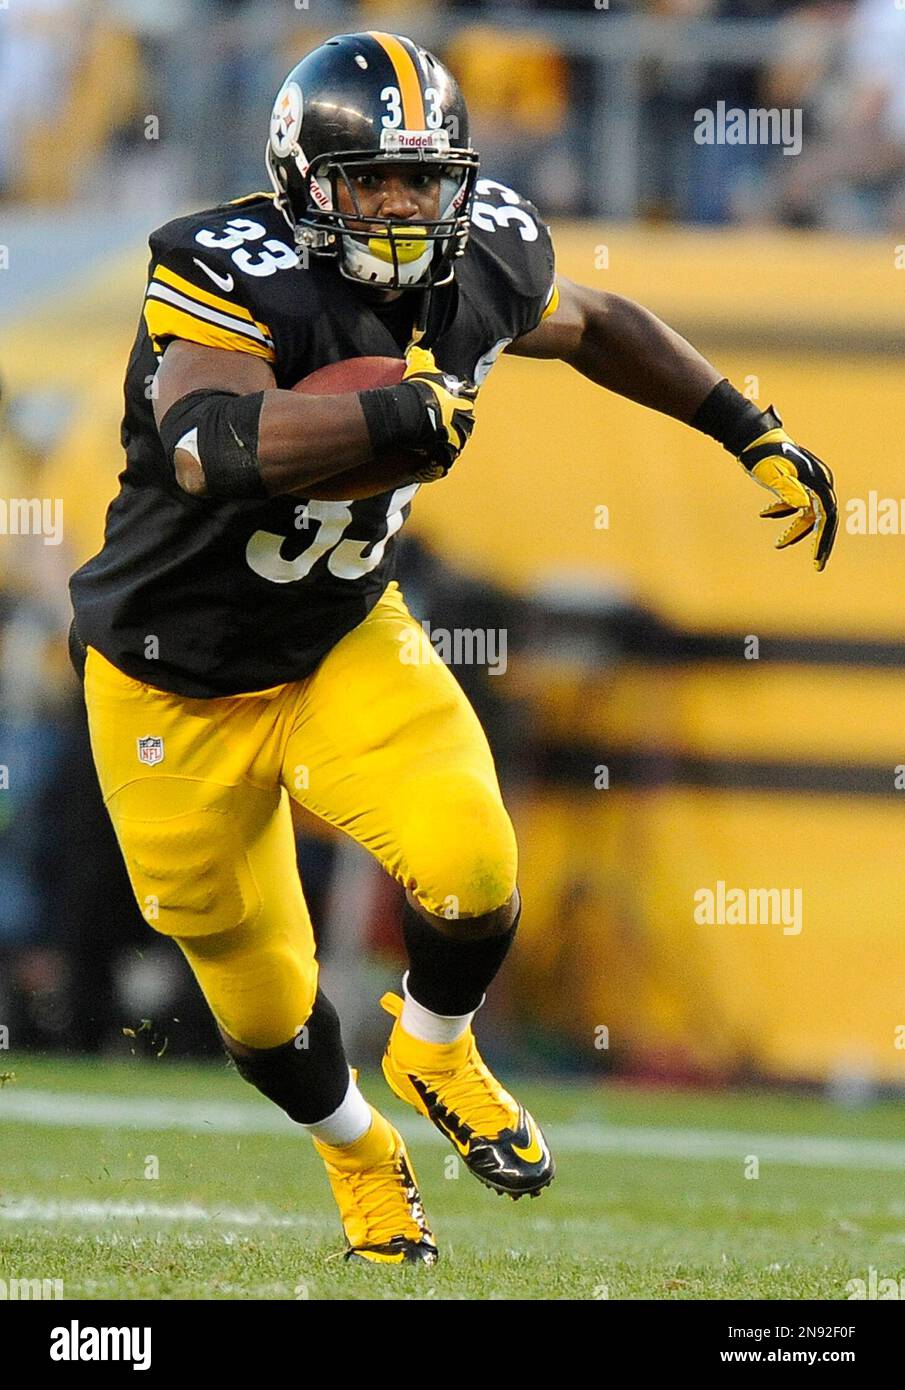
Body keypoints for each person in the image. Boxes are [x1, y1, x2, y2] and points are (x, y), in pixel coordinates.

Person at [68, 30, 838, 1266]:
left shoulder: (479, 255)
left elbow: (594, 322)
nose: (401, 206)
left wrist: (749, 428)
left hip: (337, 636)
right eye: (371, 179)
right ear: (304, 181)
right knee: (259, 992)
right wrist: (388, 414)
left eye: (422, 179)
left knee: (472, 860)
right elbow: (208, 441)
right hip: (167, 673)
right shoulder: (223, 265)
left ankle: (433, 1042)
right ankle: (357, 1150)